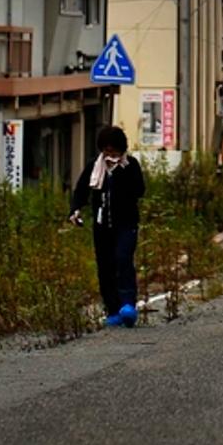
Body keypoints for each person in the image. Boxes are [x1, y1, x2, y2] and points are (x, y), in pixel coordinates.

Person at [70, 124, 146, 327]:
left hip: (126, 223)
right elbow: (81, 191)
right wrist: (75, 210)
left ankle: (128, 304)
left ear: (121, 149)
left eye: (113, 150)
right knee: (105, 266)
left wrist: (120, 172)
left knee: (123, 259)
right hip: (102, 226)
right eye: (105, 150)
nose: (109, 154)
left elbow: (139, 190)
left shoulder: (131, 166)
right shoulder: (94, 167)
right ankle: (113, 309)